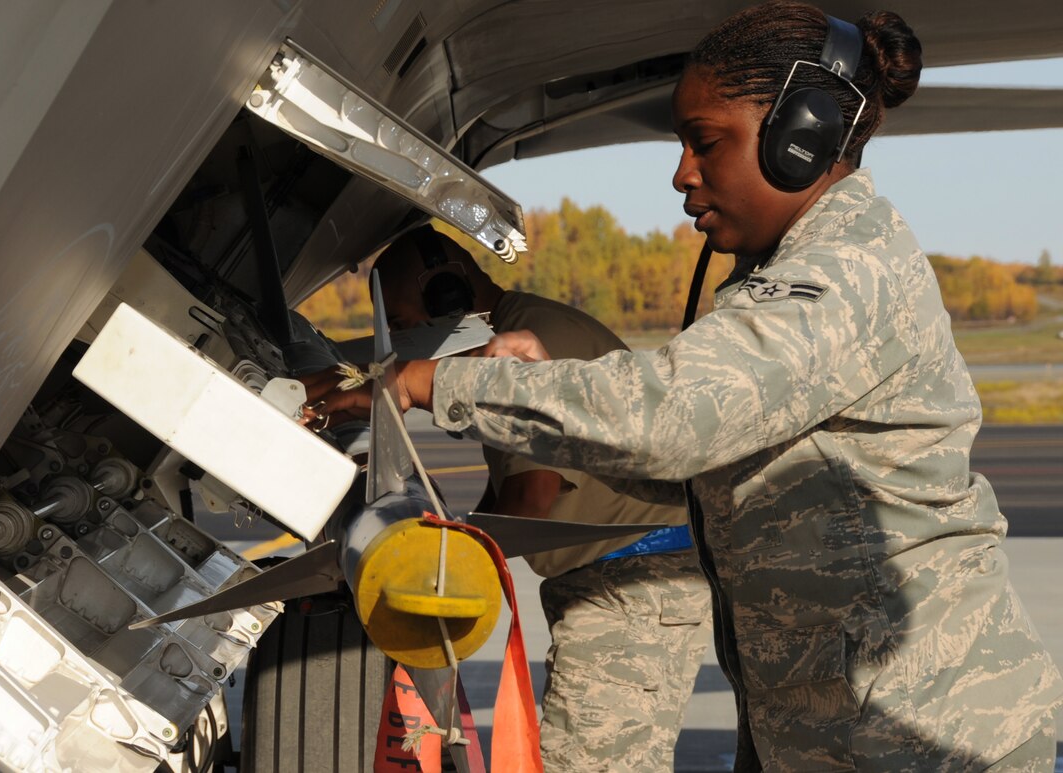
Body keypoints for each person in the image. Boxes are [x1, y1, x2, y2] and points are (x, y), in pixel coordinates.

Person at [304, 3, 1063, 769]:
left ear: (798, 140)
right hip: (827, 732)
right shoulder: (786, 278)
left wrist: (433, 381)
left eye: (704, 143)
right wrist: (549, 384)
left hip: (932, 740)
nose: (681, 174)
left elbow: (671, 415)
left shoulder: (844, 275)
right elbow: (701, 395)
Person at [370, 225, 713, 772]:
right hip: (629, 582)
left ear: (447, 294)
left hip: (629, 587)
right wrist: (457, 528)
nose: (413, 342)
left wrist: (443, 567)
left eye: (410, 324)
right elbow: (510, 485)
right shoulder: (517, 327)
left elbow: (532, 496)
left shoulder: (522, 346)